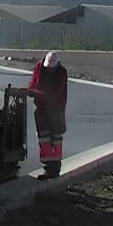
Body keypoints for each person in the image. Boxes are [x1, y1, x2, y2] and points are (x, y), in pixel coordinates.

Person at [27, 51, 68, 180]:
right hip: (41, 109)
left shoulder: (62, 72)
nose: (49, 70)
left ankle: (55, 168)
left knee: (55, 138)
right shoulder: (40, 66)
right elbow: (33, 81)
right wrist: (30, 90)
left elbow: (55, 94)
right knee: (44, 138)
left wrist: (35, 93)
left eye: (52, 68)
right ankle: (48, 168)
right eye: (47, 68)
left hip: (56, 109)